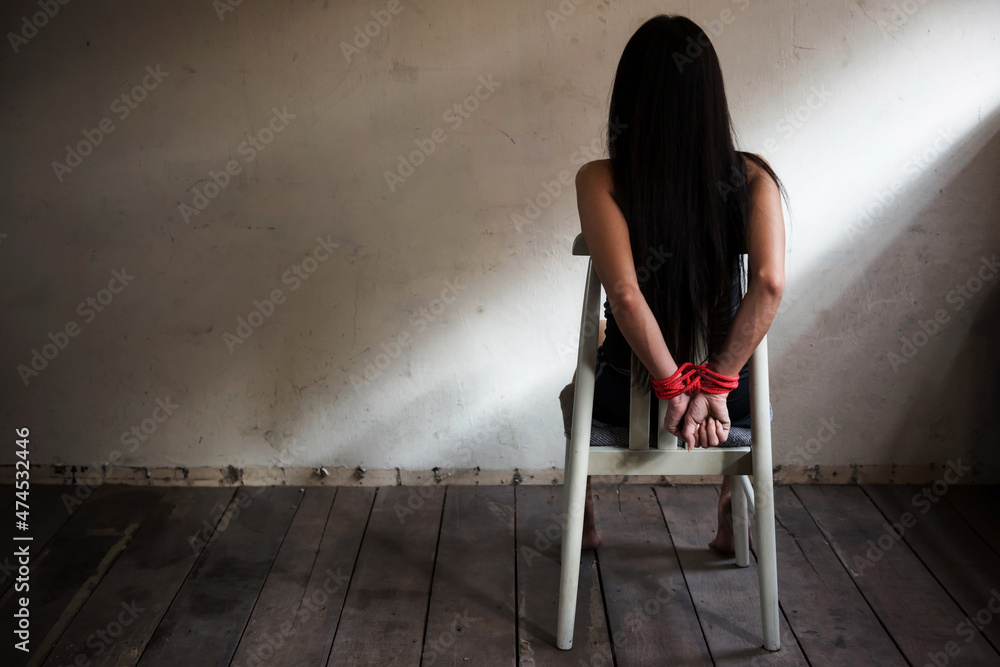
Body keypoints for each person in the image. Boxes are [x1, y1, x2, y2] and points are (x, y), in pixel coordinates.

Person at [573, 14, 787, 553]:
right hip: (730, 406)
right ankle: (727, 510)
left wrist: (671, 386)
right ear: (713, 100)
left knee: (583, 375)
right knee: (743, 367)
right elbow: (768, 283)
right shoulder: (754, 176)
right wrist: (713, 384)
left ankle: (586, 511)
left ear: (629, 99)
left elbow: (623, 294)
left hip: (628, 400)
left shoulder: (600, 179)